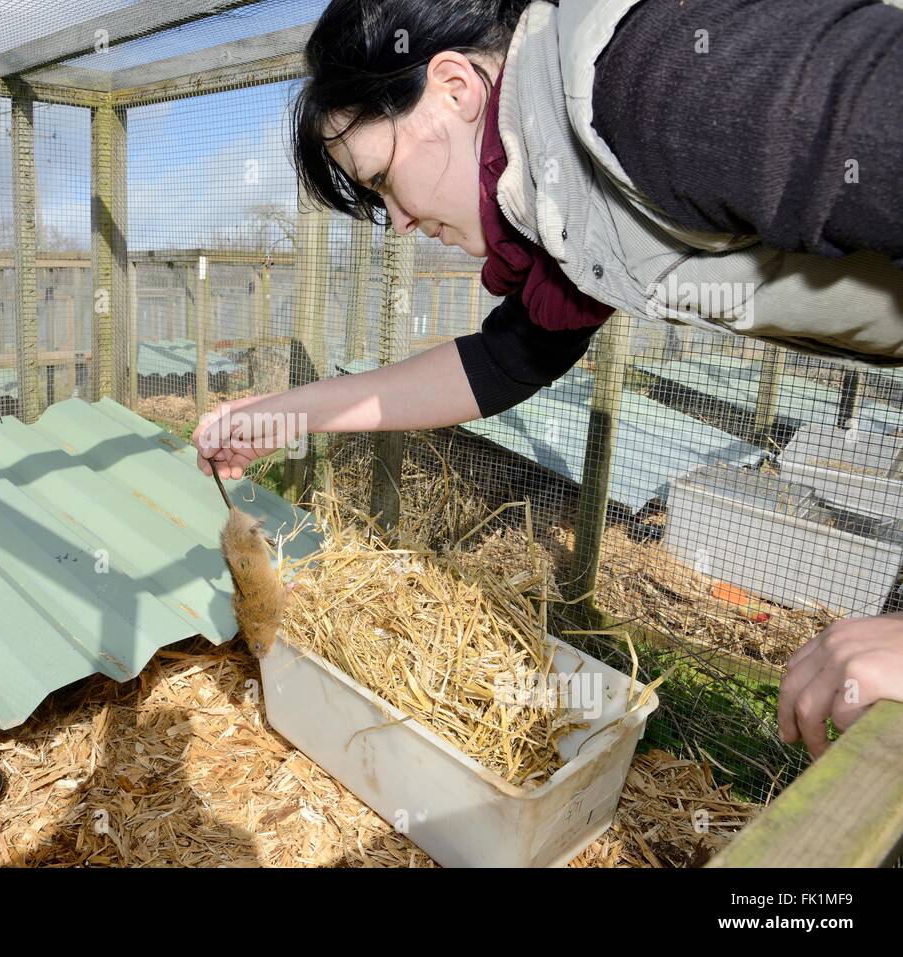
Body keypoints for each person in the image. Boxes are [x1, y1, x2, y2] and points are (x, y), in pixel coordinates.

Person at [191, 0, 903, 759]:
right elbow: (502, 362)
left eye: (383, 178)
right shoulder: (561, 206)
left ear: (455, 86)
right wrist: (281, 412)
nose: (395, 221)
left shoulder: (644, 78)